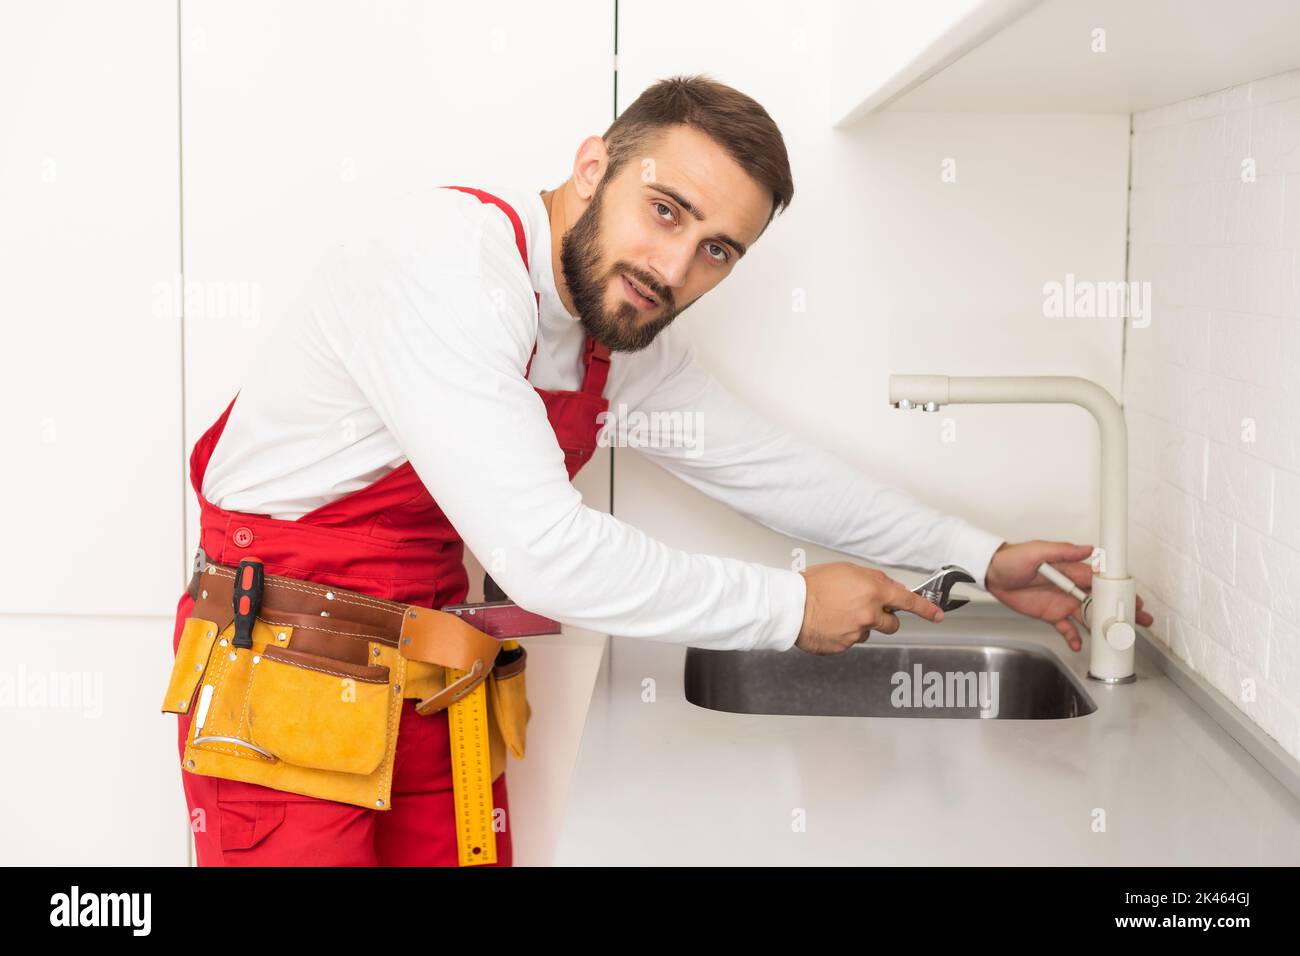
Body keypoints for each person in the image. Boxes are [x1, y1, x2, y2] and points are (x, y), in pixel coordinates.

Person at [169, 73, 1153, 866]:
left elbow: (766, 467)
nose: (675, 266)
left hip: (426, 675)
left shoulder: (612, 335)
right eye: (665, 210)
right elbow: (547, 552)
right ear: (593, 165)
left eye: (716, 248)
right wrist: (791, 605)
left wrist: (979, 555)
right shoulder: (446, 265)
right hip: (283, 682)